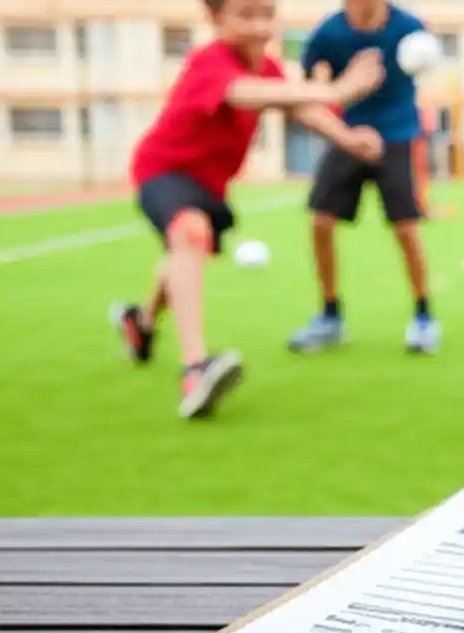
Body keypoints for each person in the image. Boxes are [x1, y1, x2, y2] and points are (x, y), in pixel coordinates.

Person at [113, 0, 384, 419]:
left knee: (184, 252)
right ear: (216, 17)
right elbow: (246, 94)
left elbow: (299, 106)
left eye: (267, 14)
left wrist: (347, 138)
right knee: (190, 233)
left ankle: (142, 323)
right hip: (163, 170)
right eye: (246, 14)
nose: (260, 26)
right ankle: (196, 369)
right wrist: (338, 89)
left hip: (211, 185)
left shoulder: (269, 68)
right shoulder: (210, 63)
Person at [288, 0, 441, 355]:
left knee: (406, 228)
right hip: (349, 135)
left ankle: (423, 316)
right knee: (321, 223)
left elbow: (425, 61)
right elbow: (311, 87)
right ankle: (330, 315)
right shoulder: (328, 33)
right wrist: (343, 88)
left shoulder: (409, 27)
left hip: (397, 136)